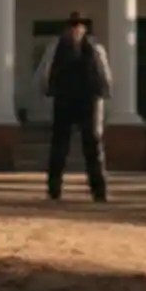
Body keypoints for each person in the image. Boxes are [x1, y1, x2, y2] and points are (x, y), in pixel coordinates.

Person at [32, 12, 112, 202]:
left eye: (79, 25)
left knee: (93, 145)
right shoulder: (55, 48)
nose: (76, 29)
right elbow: (45, 73)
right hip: (65, 98)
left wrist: (104, 97)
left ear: (85, 28)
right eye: (73, 26)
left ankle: (99, 190)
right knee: (59, 145)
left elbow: (104, 74)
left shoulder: (95, 48)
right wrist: (47, 94)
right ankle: (54, 189)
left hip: (88, 99)